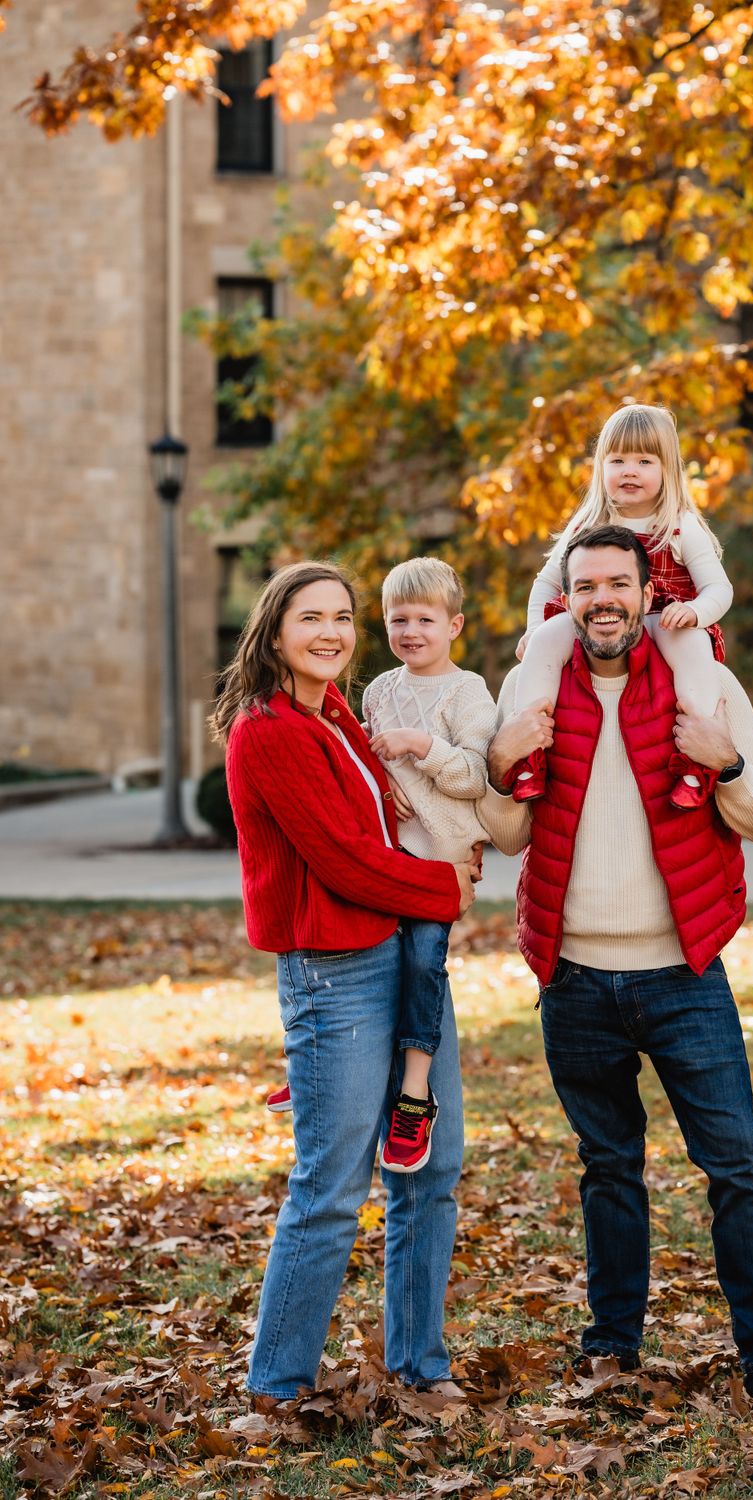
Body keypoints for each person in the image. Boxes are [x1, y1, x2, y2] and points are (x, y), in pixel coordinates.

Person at [477, 525, 753, 1407]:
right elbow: (507, 834)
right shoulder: (533, 682)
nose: (604, 601)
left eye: (619, 584)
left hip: (683, 976)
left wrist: (725, 763)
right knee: (608, 1167)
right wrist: (500, 765)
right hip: (574, 980)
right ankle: (613, 1347)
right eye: (586, 587)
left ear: (649, 593)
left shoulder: (707, 682)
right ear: (566, 599)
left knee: (736, 1164)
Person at [213, 560, 478, 1399]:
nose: (331, 633)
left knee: (430, 1172)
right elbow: (344, 862)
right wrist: (446, 887)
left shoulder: (334, 715)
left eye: (342, 617)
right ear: (273, 633)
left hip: (401, 958)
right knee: (331, 1190)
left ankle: (419, 1367)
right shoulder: (267, 731)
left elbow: (384, 831)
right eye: (311, 618)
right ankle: (276, 1387)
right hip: (335, 976)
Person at [510, 403, 732, 808]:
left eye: (644, 461)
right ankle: (529, 754)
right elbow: (546, 582)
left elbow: (719, 589)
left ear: (667, 469)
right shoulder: (587, 523)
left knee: (692, 644)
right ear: (601, 467)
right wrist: (533, 629)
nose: (630, 471)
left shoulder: (680, 525)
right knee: (544, 641)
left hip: (666, 621)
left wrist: (695, 612)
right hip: (600, 622)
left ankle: (695, 763)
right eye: (618, 460)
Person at [362, 557, 497, 1172]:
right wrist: (381, 780)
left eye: (425, 619)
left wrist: (421, 746)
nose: (411, 631)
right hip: (384, 854)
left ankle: (414, 1095)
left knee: (422, 964)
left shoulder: (466, 692)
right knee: (363, 963)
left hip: (438, 860)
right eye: (399, 620)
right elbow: (366, 760)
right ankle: (329, 1065)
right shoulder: (379, 691)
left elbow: (476, 776)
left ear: (454, 625)